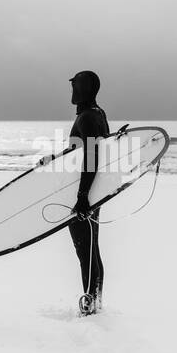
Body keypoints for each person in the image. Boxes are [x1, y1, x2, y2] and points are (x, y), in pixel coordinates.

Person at [67, 71, 108, 315]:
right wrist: (52, 160)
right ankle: (95, 301)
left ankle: (90, 305)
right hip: (91, 191)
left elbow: (92, 158)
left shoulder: (87, 117)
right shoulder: (97, 114)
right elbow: (78, 153)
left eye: (75, 85)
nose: (72, 90)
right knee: (92, 249)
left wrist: (83, 198)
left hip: (86, 194)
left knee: (86, 252)